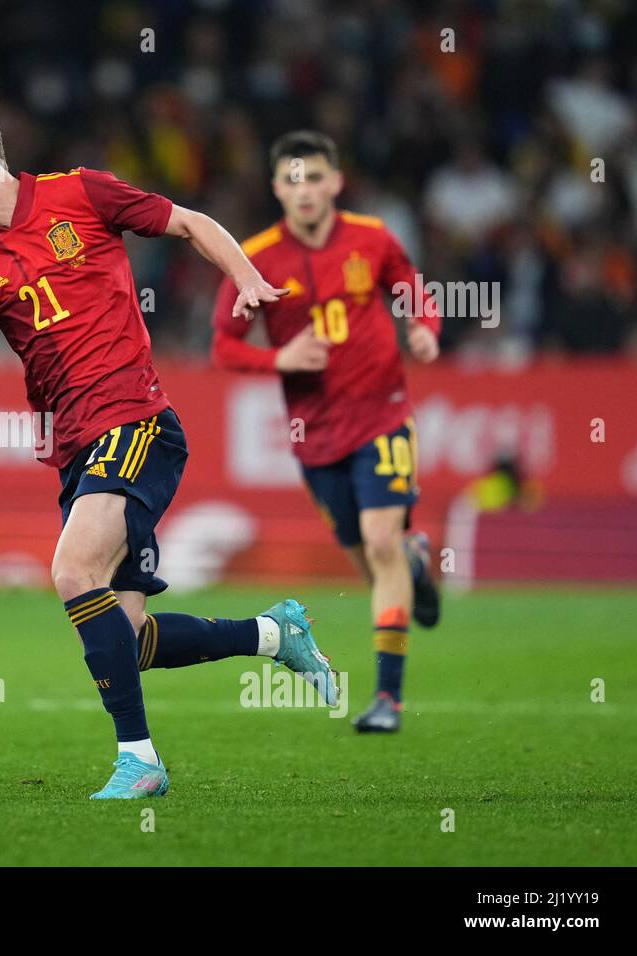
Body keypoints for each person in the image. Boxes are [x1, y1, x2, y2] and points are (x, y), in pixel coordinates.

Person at [0, 87, 338, 799]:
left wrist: (247, 277)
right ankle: (273, 635)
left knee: (73, 572)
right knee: (129, 639)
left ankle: (140, 762)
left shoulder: (81, 193)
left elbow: (189, 223)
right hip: (74, 451)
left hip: (135, 422)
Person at [213, 130, 442, 734]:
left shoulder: (373, 238)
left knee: (381, 540)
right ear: (275, 189)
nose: (305, 190)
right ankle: (416, 568)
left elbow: (415, 292)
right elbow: (223, 345)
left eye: (315, 178)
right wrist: (279, 360)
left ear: (335, 182)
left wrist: (424, 328)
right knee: (372, 563)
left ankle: (387, 699)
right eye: (293, 180)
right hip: (313, 435)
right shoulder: (256, 256)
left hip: (382, 413)